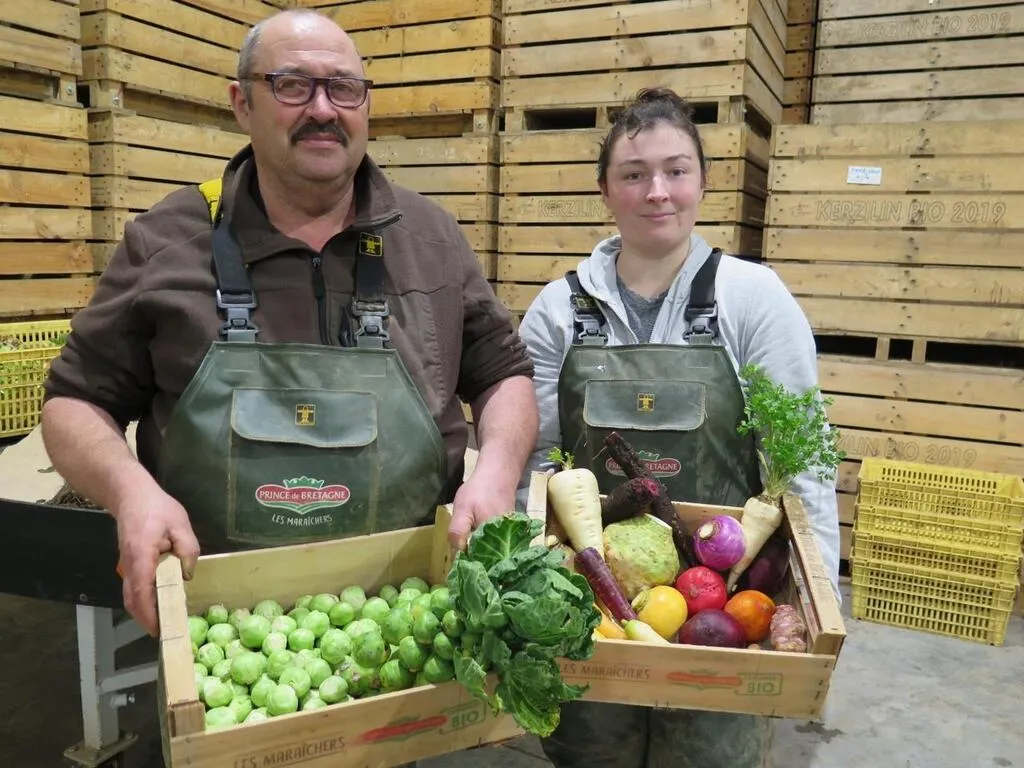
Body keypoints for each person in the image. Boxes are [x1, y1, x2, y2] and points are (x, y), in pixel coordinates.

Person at [40, 8, 538, 640]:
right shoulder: (164, 243)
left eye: (344, 88)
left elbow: (502, 373)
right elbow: (74, 402)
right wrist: (130, 493)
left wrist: (497, 473)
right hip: (226, 629)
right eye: (293, 85)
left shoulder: (432, 240)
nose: (323, 109)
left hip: (418, 619)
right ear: (242, 104)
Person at [516, 87, 842, 768]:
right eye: (634, 174)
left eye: (676, 170)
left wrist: (821, 601)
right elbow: (533, 459)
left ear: (704, 181)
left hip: (723, 596)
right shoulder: (557, 310)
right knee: (590, 750)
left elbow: (802, 463)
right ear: (605, 191)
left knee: (707, 754)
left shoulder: (752, 299)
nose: (657, 191)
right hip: (592, 597)